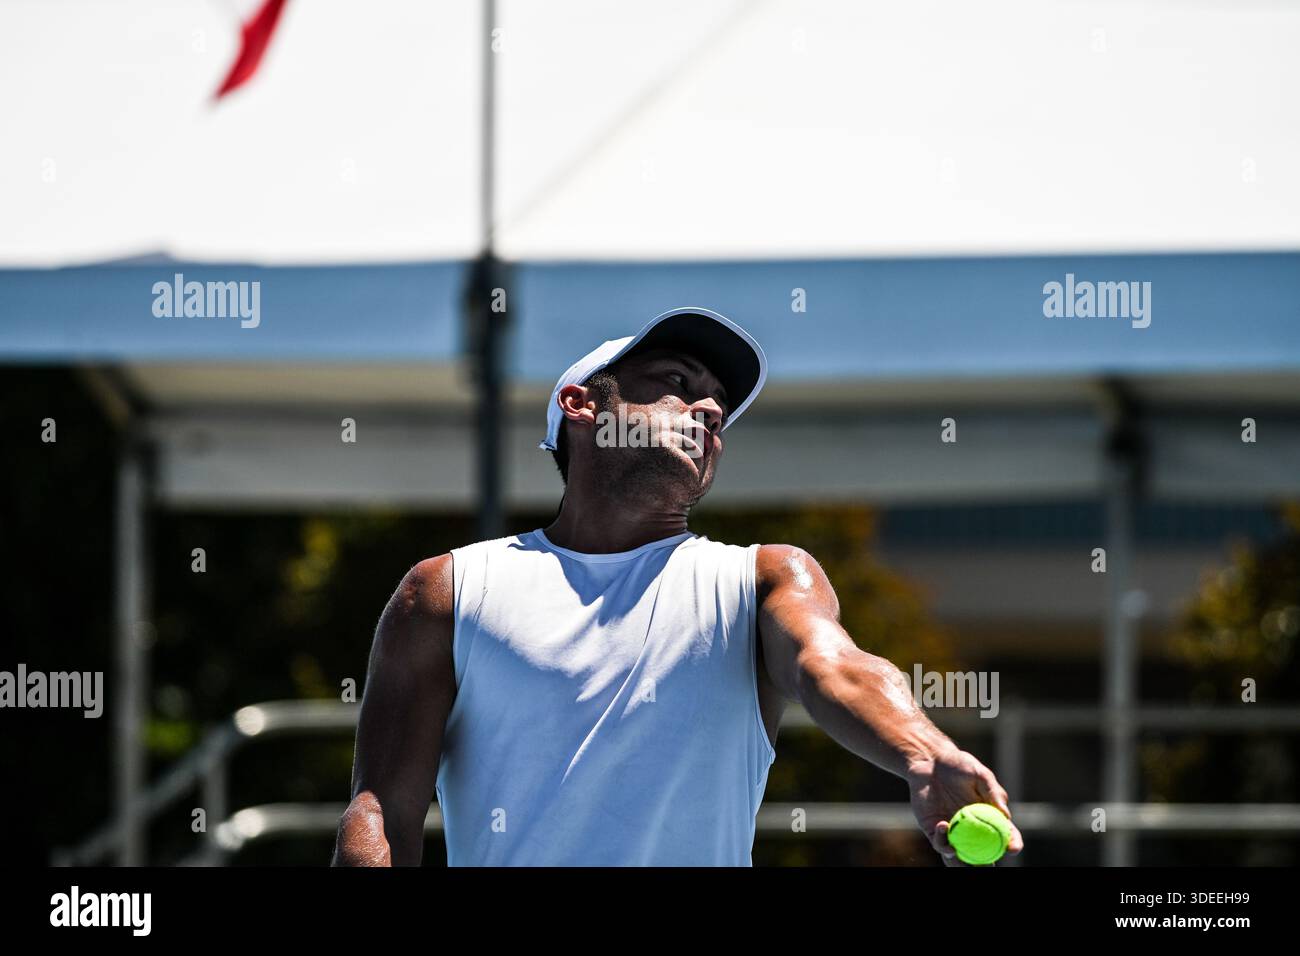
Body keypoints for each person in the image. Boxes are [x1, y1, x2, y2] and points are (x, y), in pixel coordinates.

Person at [332, 306, 1023, 866]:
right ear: (580, 404)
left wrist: (925, 755)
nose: (709, 412)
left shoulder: (766, 577)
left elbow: (834, 666)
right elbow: (380, 814)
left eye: (719, 404)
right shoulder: (446, 591)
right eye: (678, 382)